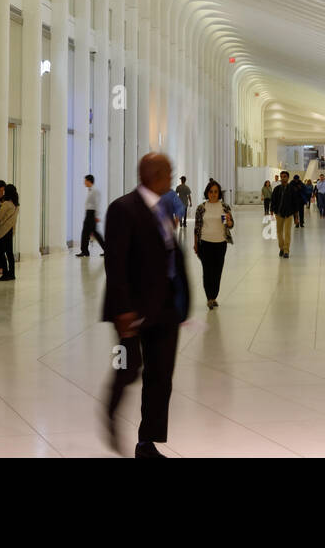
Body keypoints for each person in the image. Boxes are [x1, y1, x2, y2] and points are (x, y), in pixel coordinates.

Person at [103, 152, 190, 459]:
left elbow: (170, 255)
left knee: (161, 375)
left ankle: (146, 443)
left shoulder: (162, 207)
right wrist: (123, 309)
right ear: (154, 175)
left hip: (165, 308)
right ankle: (110, 410)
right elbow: (115, 264)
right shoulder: (123, 209)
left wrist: (182, 303)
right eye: (168, 173)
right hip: (134, 309)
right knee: (129, 368)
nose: (171, 178)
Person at [193, 180, 234, 309]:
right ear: (207, 193)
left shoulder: (224, 207)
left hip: (220, 243)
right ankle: (209, 297)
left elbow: (230, 225)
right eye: (211, 192)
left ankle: (214, 295)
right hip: (205, 243)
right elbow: (197, 227)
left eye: (216, 192)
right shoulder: (202, 208)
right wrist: (195, 244)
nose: (213, 194)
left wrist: (228, 222)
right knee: (207, 271)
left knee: (217, 271)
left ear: (219, 193)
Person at [0, 185, 18, 280]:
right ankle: (12, 274)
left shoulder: (6, 204)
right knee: (10, 253)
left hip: (2, 231)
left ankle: (5, 274)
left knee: (1, 253)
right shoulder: (16, 205)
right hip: (10, 231)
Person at [78, 174, 105, 256]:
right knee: (87, 233)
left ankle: (85, 251)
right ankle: (85, 251)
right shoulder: (91, 190)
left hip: (91, 214)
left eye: (85, 181)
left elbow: (97, 203)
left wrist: (97, 216)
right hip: (89, 213)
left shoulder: (95, 190)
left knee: (92, 233)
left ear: (89, 181)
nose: (84, 182)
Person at [272, 170, 295, 257]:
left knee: (287, 232)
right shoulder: (277, 189)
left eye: (284, 177)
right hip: (279, 213)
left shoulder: (292, 189)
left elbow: (295, 202)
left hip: (289, 213)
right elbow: (273, 200)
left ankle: (286, 250)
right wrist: (273, 210)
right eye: (281, 177)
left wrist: (296, 215)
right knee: (279, 232)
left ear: (288, 178)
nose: (282, 178)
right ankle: (281, 248)